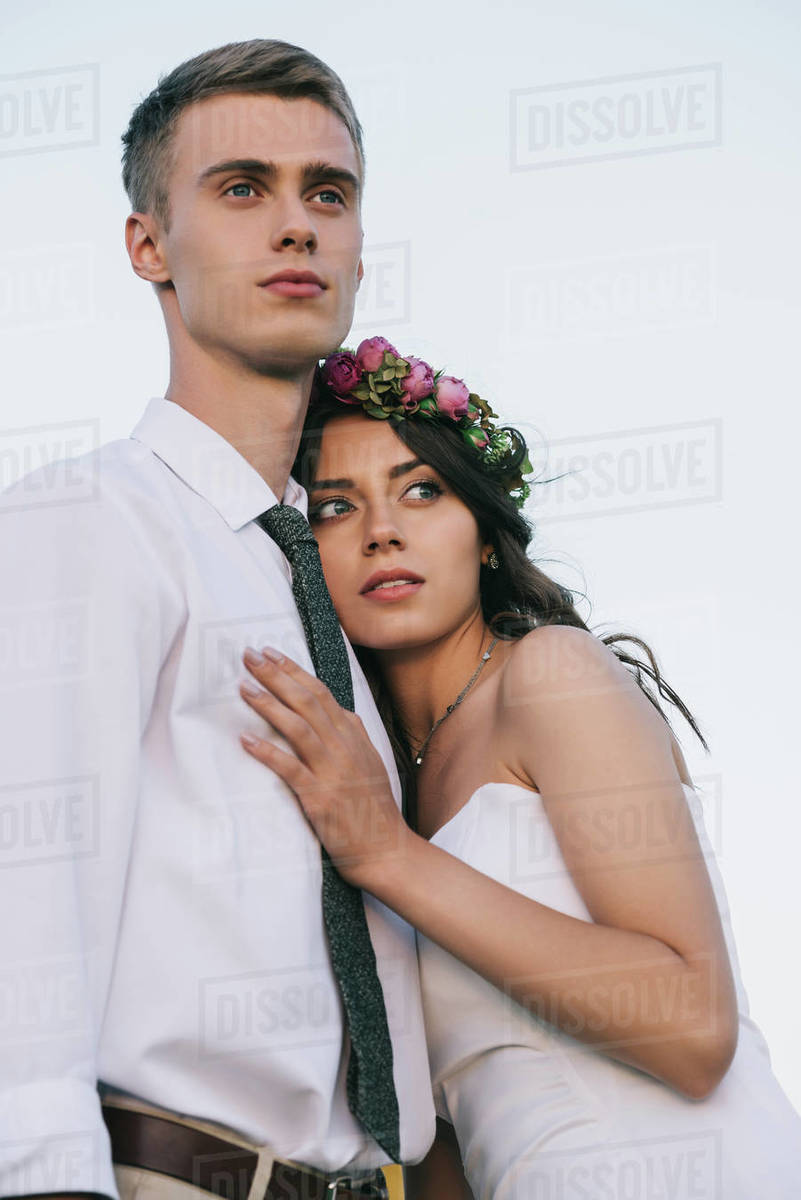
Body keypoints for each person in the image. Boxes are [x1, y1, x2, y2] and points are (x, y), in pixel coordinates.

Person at [0, 42, 434, 1200]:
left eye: (327, 194)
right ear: (149, 245)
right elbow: (26, 891)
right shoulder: (91, 517)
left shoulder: (335, 594)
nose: (296, 225)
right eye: (243, 188)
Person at [234, 336, 801, 1199]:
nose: (382, 531)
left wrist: (387, 854)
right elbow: (442, 1130)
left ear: (485, 537)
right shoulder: (376, 783)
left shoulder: (549, 674)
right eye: (336, 507)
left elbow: (693, 1029)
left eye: (421, 490)